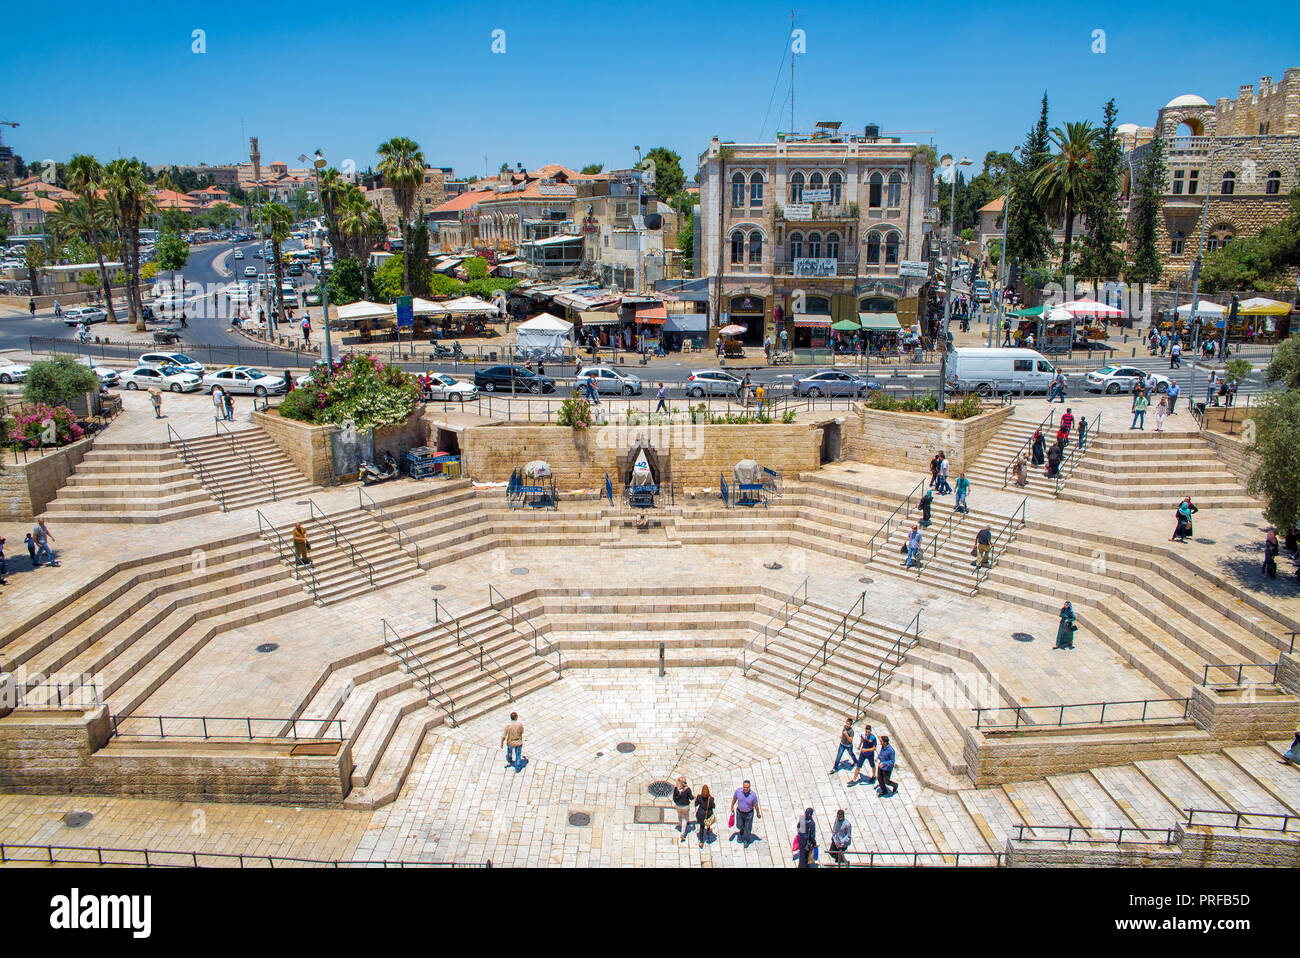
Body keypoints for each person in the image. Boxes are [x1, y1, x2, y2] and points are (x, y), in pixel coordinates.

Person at [730, 780, 760, 846]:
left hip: (749, 814)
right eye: (744, 787)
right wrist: (732, 806)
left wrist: (758, 813)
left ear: (749, 787)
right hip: (739, 812)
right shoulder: (738, 791)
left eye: (747, 787)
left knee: (748, 828)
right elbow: (734, 798)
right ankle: (741, 828)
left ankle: (746, 840)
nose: (745, 789)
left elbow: (756, 805)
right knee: (739, 825)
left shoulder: (753, 795)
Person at [672, 776, 694, 841]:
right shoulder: (687, 789)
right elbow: (691, 798)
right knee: (685, 818)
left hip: (678, 806)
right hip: (685, 806)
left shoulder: (676, 789)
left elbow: (674, 799)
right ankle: (682, 833)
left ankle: (681, 825)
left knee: (679, 815)